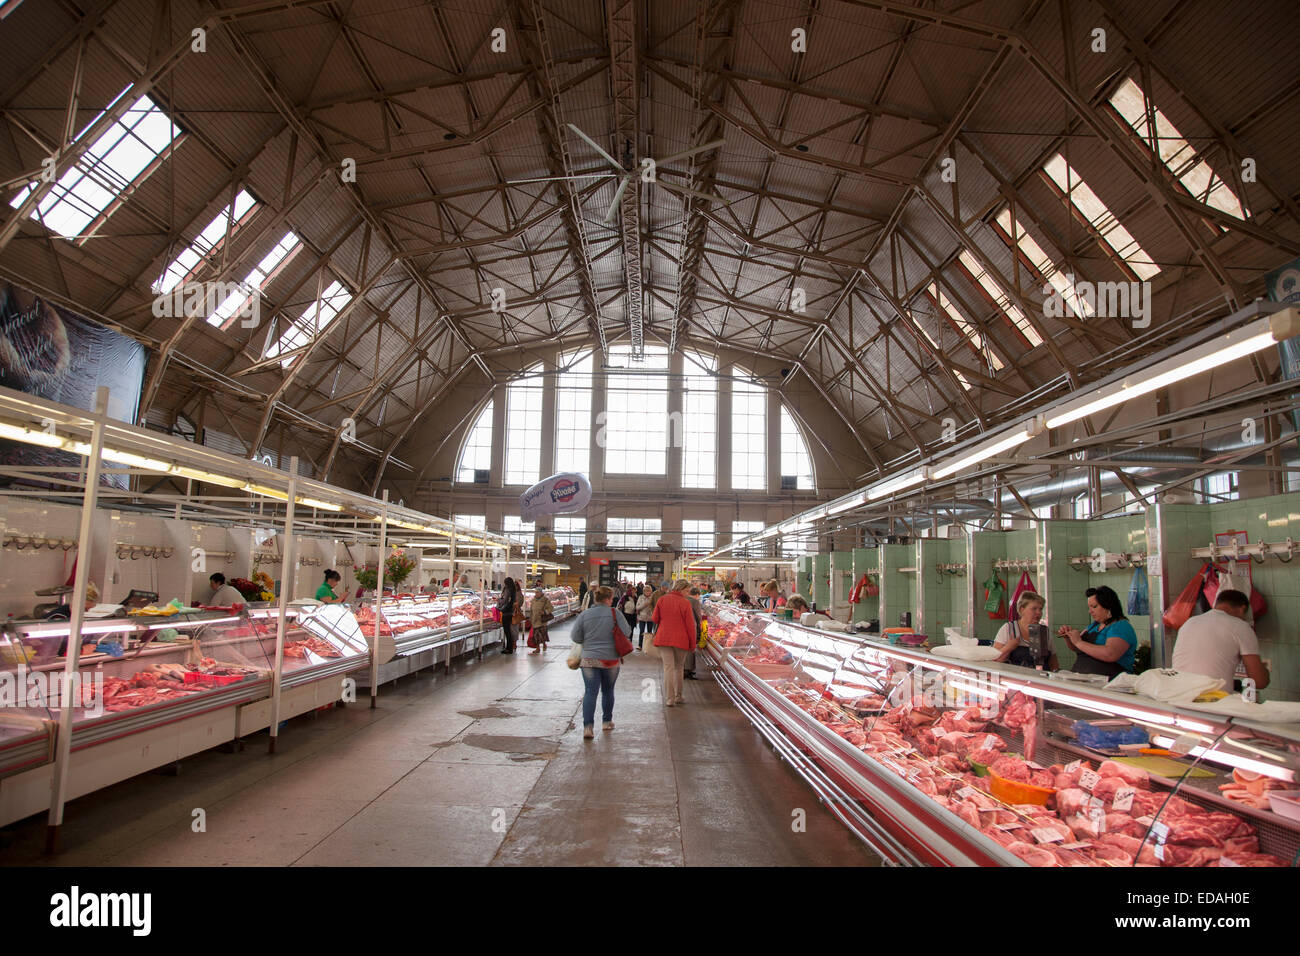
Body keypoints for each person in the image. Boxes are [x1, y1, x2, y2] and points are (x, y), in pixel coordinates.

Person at [1171, 589, 1270, 691]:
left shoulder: (1189, 623)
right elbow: (1258, 682)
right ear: (1242, 609)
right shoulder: (1241, 626)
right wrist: (1264, 670)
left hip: (1178, 694)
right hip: (1212, 700)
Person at [571, 586, 633, 739]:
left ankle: (588, 727)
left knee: (590, 692)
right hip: (610, 659)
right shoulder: (615, 613)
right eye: (612, 599)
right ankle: (606, 722)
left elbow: (575, 637)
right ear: (608, 599)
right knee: (608, 690)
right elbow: (627, 631)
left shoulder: (584, 615)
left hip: (589, 659)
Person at [1058, 585, 1138, 678]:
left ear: (1108, 606)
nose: (1090, 611)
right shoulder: (1094, 625)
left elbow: (1110, 654)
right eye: (1089, 607)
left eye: (1094, 607)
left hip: (1109, 683)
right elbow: (1079, 648)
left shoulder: (1121, 626)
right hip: (1083, 679)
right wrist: (1069, 638)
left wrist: (1078, 642)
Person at [653, 579, 697, 707]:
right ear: (680, 589)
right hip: (681, 639)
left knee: (668, 668)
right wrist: (692, 644)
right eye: (686, 591)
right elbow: (690, 626)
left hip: (664, 638)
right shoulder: (685, 603)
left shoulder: (662, 599)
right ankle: (678, 696)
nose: (688, 594)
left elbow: (655, 619)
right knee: (679, 668)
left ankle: (669, 699)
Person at [992, 592, 1057, 669]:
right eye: (1034, 609)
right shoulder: (1009, 628)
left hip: (1040, 678)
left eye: (1040, 609)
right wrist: (1009, 647)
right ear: (1022, 609)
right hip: (1015, 678)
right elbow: (994, 661)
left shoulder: (1045, 632)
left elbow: (1053, 663)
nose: (1038, 613)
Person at [683, 585, 704, 679]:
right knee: (691, 649)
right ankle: (688, 670)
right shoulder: (695, 601)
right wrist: (701, 625)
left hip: (683, 627)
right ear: (697, 594)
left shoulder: (684, 599)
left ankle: (685, 669)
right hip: (692, 626)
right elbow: (698, 615)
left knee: (685, 649)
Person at [497, 577, 520, 654]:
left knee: (507, 631)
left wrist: (499, 602)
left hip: (506, 612)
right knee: (508, 631)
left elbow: (505, 600)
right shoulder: (513, 590)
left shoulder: (508, 590)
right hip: (510, 612)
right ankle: (509, 647)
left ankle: (509, 648)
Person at [528, 586, 554, 655]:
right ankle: (538, 648)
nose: (536, 594)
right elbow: (531, 610)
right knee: (536, 635)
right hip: (535, 620)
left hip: (542, 620)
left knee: (542, 635)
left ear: (540, 593)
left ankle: (544, 644)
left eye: (537, 592)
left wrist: (545, 612)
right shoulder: (533, 600)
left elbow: (551, 608)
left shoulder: (545, 600)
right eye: (535, 592)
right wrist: (531, 618)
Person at [635, 585, 654, 649]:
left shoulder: (652, 598)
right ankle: (640, 645)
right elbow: (637, 607)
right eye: (646, 591)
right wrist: (644, 604)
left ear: (651, 592)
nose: (648, 592)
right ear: (644, 591)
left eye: (649, 591)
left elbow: (655, 607)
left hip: (650, 618)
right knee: (641, 631)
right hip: (642, 617)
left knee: (649, 633)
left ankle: (648, 646)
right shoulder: (640, 597)